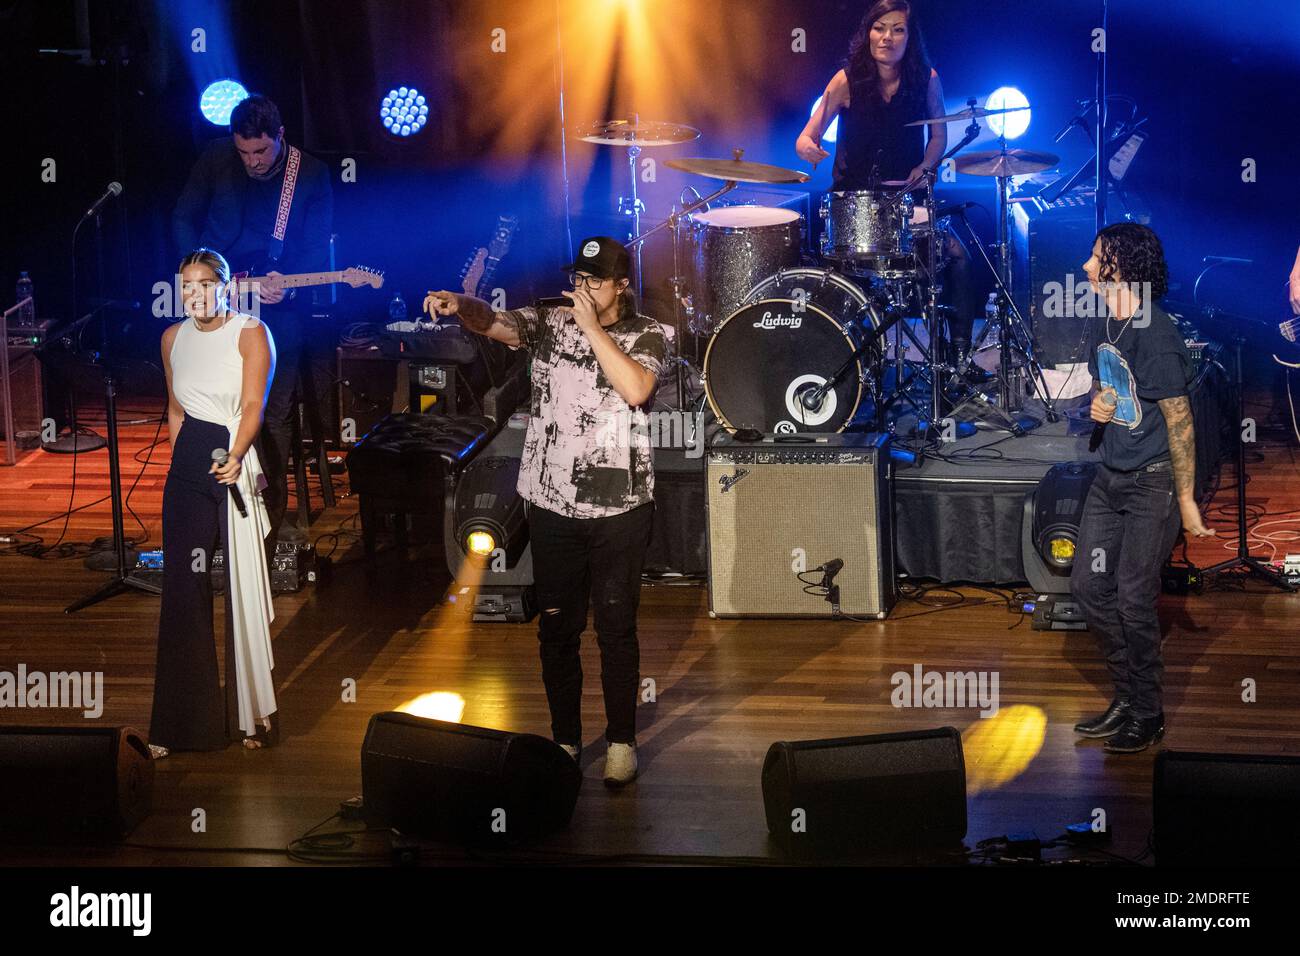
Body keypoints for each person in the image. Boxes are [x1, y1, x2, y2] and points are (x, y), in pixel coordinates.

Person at [423, 237, 665, 787]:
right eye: (578, 279)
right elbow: (498, 323)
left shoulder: (650, 333)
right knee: (557, 628)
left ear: (622, 285)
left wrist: (593, 329)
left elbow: (635, 387)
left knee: (616, 628)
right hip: (552, 500)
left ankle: (622, 741)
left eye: (596, 281)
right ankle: (566, 738)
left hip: (620, 505)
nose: (583, 289)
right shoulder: (550, 323)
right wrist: (464, 306)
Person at [1070, 223, 1215, 754]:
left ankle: (1148, 712)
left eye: (1096, 257)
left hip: (1153, 482)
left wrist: (1185, 498)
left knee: (1133, 598)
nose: (1086, 266)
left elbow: (1180, 420)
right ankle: (1126, 697)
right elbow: (1107, 388)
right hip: (1111, 475)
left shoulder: (1157, 334)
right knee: (1087, 587)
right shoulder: (1108, 318)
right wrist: (1098, 407)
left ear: (1121, 267)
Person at [173, 93, 333, 540]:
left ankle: (268, 515)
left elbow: (320, 248)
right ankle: (206, 503)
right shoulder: (215, 157)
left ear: (280, 136)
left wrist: (290, 276)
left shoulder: (312, 173)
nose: (253, 162)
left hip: (277, 306)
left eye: (261, 151)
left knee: (269, 409)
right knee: (202, 404)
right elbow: (183, 215)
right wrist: (195, 271)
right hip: (220, 297)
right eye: (244, 152)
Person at [795, 0, 979, 361]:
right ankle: (851, 359)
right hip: (855, 205)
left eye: (898, 29)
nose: (887, 37)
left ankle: (958, 358)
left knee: (959, 257)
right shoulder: (846, 79)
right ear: (868, 33)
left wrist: (926, 166)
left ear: (910, 37)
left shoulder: (927, 78)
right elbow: (807, 135)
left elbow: (939, 136)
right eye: (880, 28)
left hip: (908, 201)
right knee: (847, 280)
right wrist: (807, 148)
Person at [149, 249, 279, 757]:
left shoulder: (250, 333)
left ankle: (252, 717)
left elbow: (253, 405)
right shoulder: (172, 338)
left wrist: (238, 455)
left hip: (234, 452)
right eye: (186, 286)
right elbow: (176, 407)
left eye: (204, 284)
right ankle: (180, 727)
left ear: (226, 285)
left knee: (242, 587)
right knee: (183, 586)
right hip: (189, 463)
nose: (194, 295)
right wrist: (179, 465)